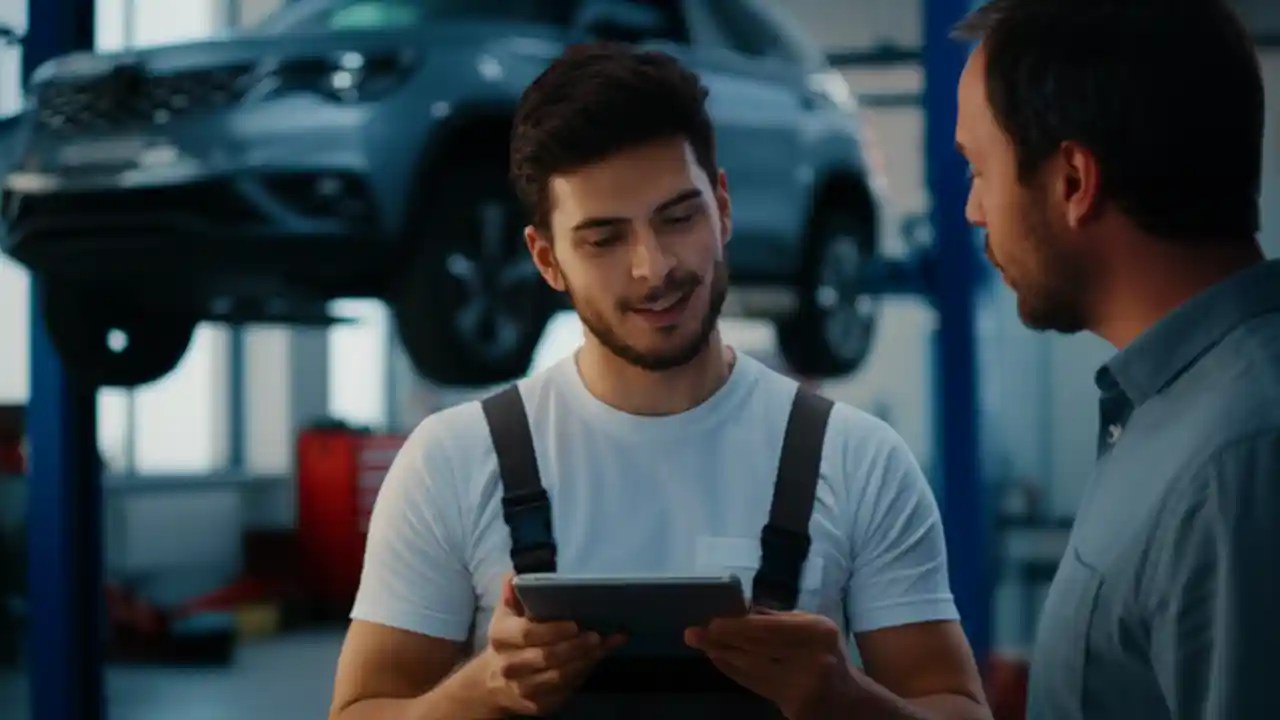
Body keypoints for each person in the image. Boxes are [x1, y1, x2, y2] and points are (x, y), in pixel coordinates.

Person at [329, 44, 990, 719]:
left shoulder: (857, 461)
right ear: (547, 259)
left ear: (723, 207)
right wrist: (483, 690)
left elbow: (961, 710)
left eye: (678, 218)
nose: (653, 268)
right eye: (604, 239)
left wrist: (845, 698)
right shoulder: (453, 462)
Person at [952, 1, 1280, 718]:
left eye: (979, 169)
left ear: (1072, 179)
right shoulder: (1173, 414)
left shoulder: (1238, 464)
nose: (973, 209)